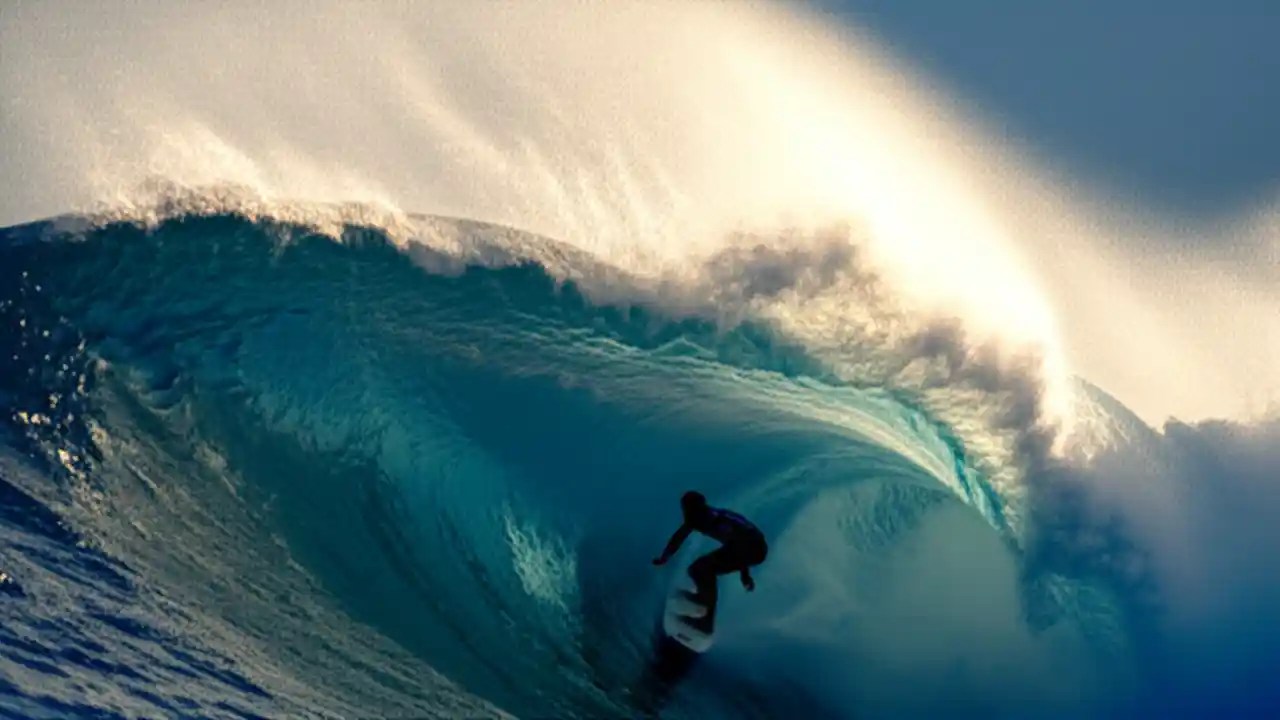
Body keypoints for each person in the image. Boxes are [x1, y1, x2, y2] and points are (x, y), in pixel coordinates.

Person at [652, 491, 768, 631]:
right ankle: (703, 601)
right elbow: (678, 537)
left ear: (698, 508)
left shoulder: (720, 522)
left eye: (687, 509)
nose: (685, 513)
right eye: (684, 509)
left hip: (755, 549)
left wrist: (745, 575)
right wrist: (664, 557)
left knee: (703, 568)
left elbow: (743, 545)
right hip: (739, 547)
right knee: (696, 569)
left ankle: (705, 618)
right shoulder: (695, 518)